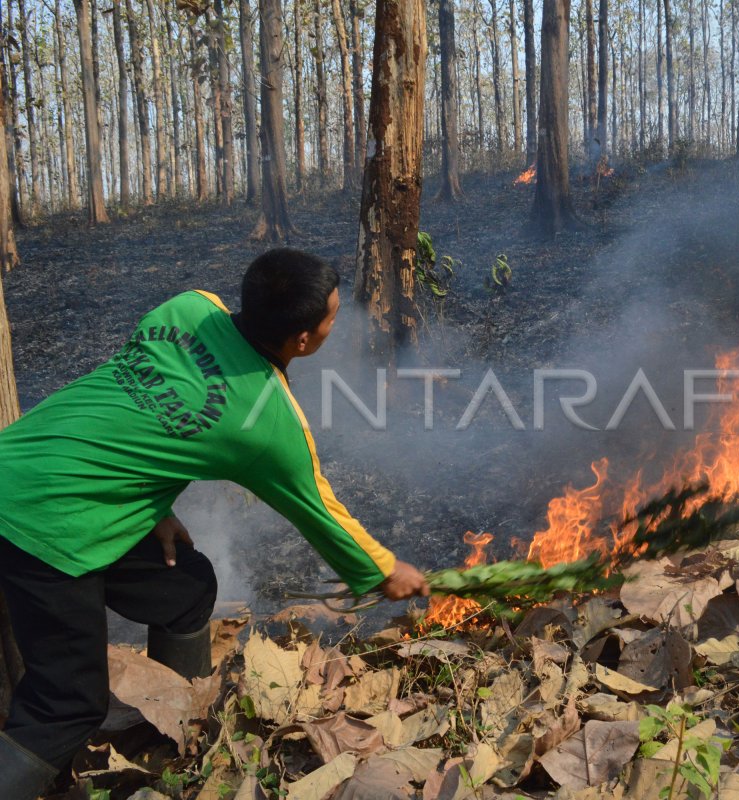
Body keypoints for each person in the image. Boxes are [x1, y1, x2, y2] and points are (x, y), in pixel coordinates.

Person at [0, 248, 429, 798]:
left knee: (186, 586)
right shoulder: (266, 423)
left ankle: (170, 740)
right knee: (67, 706)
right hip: (48, 524)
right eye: (332, 314)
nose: (336, 319)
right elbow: (322, 514)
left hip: (27, 464)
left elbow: (138, 408)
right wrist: (385, 570)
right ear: (304, 340)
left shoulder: (188, 308)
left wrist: (154, 507)